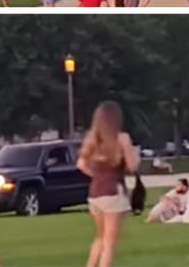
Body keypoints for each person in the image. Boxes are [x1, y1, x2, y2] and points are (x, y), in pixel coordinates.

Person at [77, 102, 140, 267]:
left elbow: (81, 164)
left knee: (100, 237)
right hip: (114, 192)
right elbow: (132, 166)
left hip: (95, 193)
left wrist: (97, 175)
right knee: (110, 243)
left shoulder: (93, 139)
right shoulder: (122, 138)